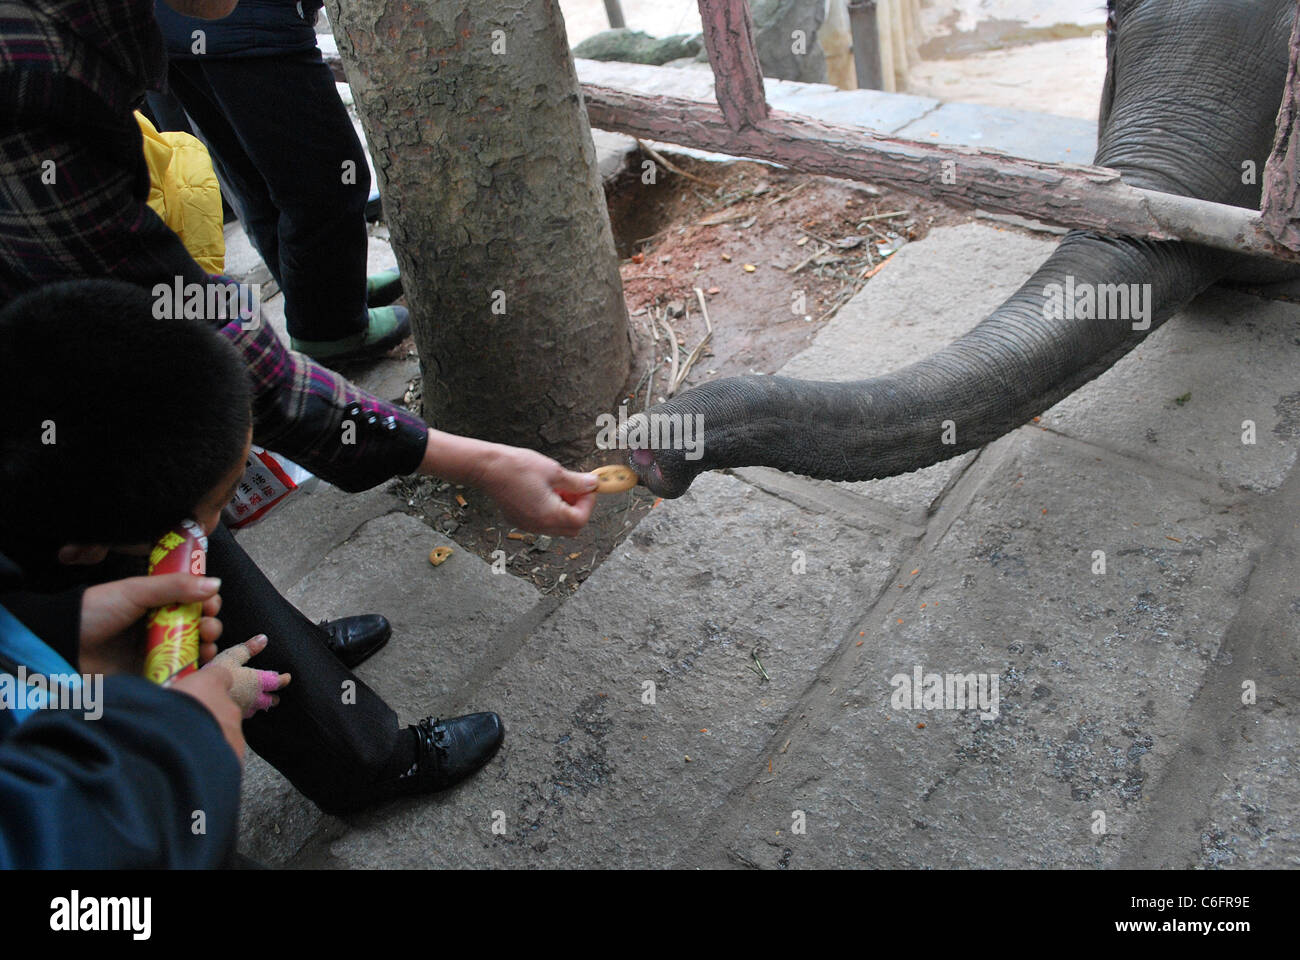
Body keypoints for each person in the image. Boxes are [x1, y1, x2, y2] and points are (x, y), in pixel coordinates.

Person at [0, 0, 603, 814]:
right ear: (70, 551)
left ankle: (282, 660)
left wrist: (67, 624)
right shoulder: (21, 85)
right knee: (166, 527)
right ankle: (362, 766)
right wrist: (177, 746)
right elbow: (235, 363)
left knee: (176, 533)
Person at [149, 0, 410, 362]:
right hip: (248, 23)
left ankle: (324, 296)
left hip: (176, 27)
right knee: (326, 180)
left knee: (257, 179)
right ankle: (332, 328)